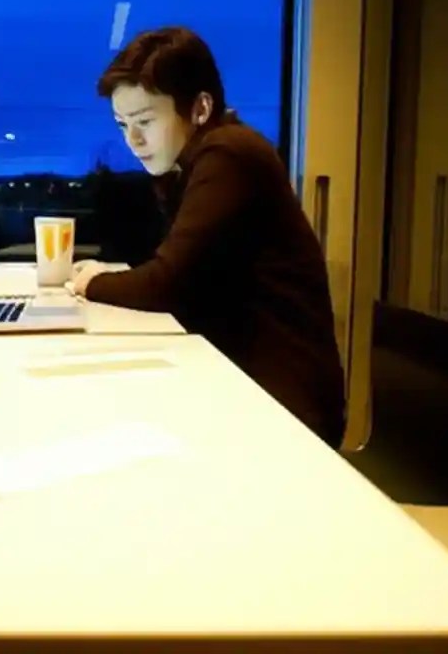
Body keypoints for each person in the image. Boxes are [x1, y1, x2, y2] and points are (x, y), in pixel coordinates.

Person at [70, 26, 346, 448]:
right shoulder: (196, 163)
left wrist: (90, 283)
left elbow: (168, 282)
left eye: (145, 121)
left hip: (285, 407)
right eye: (123, 124)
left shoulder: (229, 153)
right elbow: (181, 274)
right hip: (247, 381)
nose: (133, 140)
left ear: (200, 108)